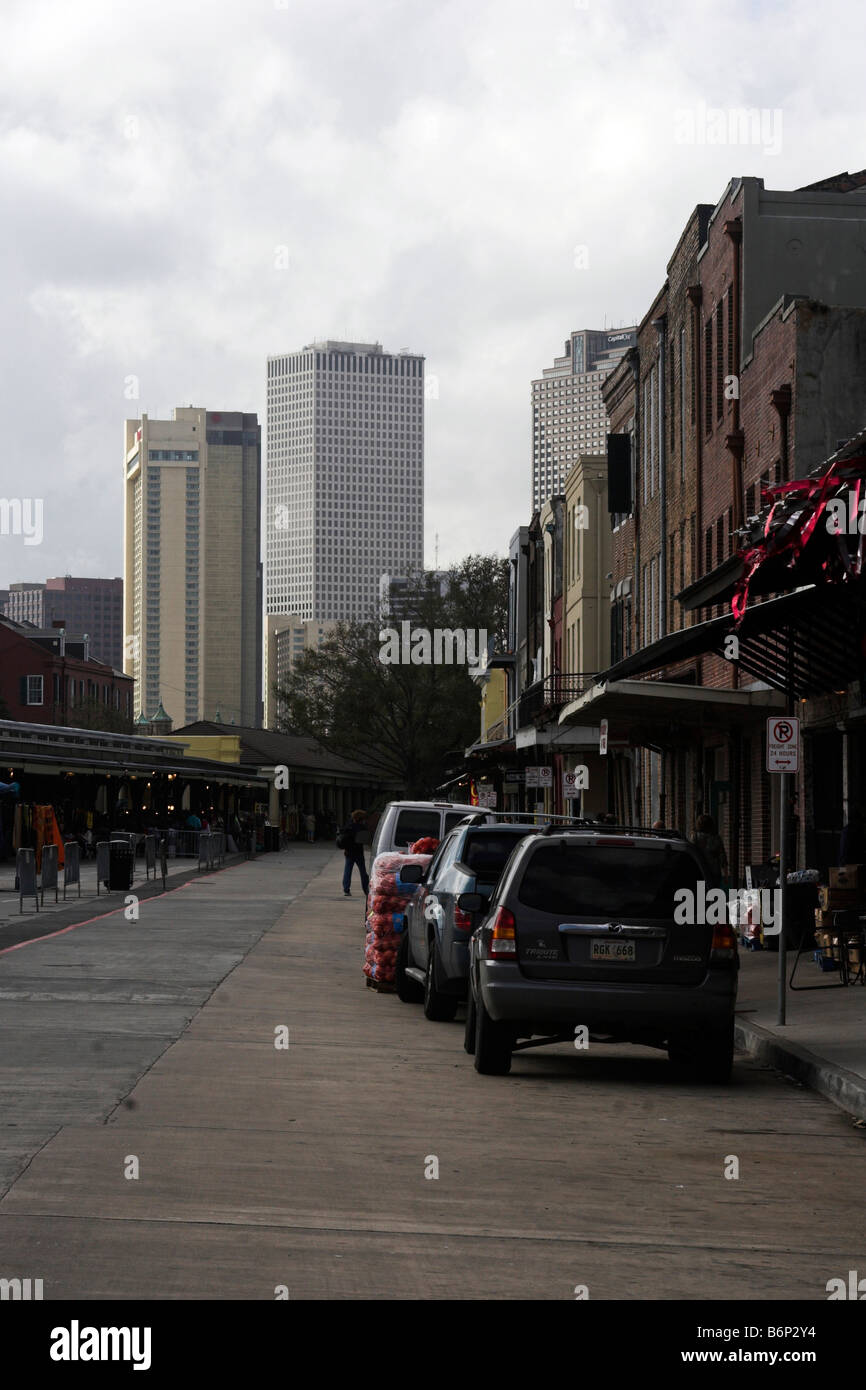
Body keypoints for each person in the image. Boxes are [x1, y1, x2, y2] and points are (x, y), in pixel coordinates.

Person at [339, 809, 370, 898]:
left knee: (347, 871)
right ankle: (366, 890)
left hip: (349, 852)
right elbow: (365, 840)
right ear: (361, 819)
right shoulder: (362, 827)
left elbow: (343, 838)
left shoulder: (349, 826)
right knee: (363, 872)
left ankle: (346, 890)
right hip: (359, 852)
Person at [692, 813, 729, 886]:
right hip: (714, 871)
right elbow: (723, 858)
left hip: (700, 871)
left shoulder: (695, 837)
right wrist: (726, 875)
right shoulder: (716, 838)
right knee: (713, 894)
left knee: (700, 894)